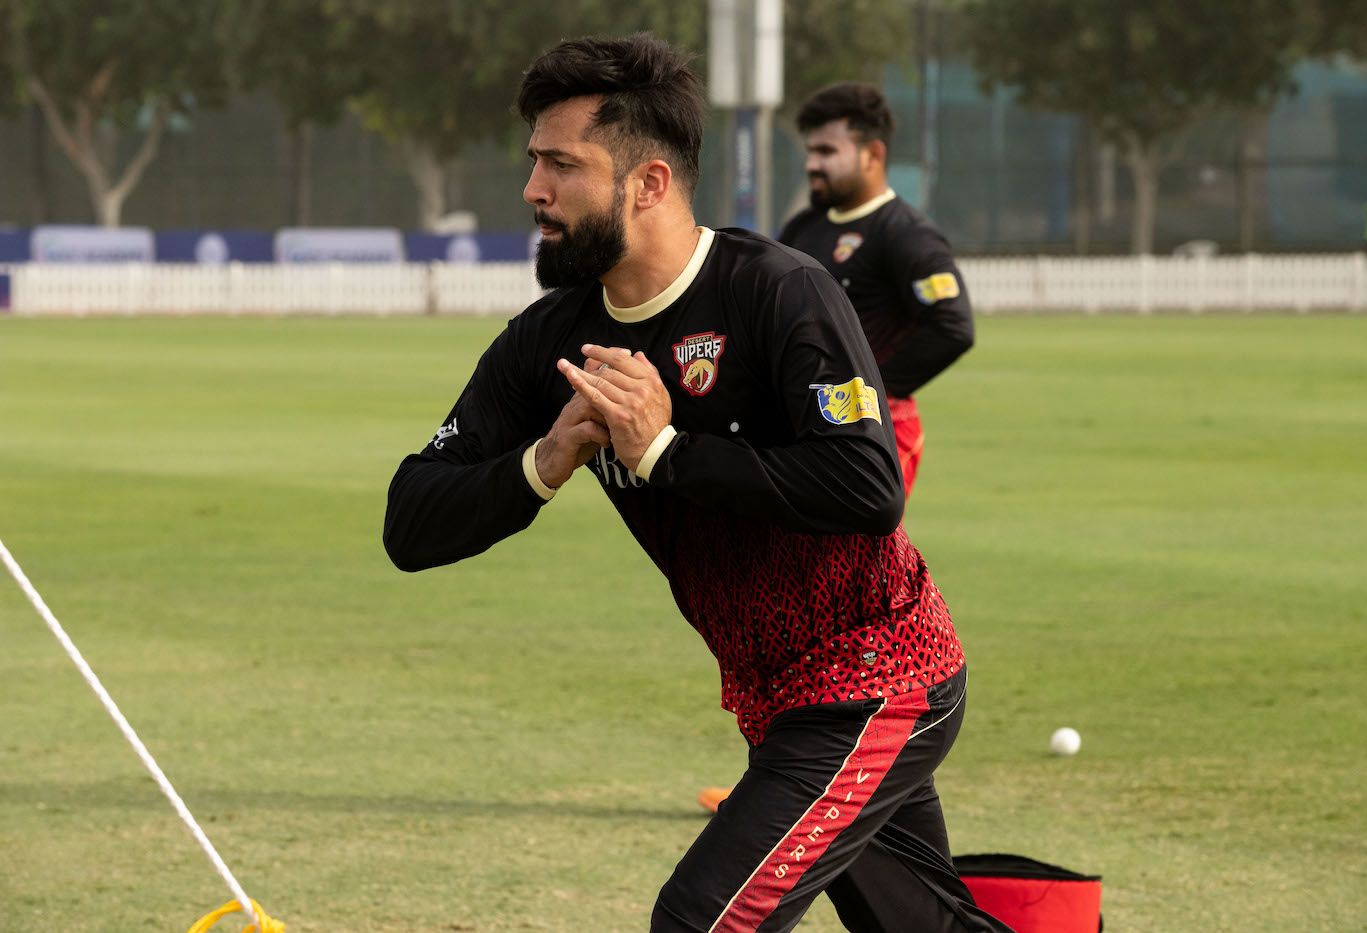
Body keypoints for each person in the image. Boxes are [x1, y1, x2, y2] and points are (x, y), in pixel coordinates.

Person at [383, 33, 1007, 933]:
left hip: (879, 676)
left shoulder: (779, 290)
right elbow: (412, 521)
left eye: (563, 165)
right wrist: (546, 461)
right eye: (534, 163)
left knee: (700, 920)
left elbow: (868, 487)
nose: (534, 191)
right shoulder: (549, 337)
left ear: (649, 184)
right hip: (778, 699)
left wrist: (664, 450)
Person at [697, 81, 975, 816]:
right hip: (800, 437)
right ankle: (789, 773)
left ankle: (836, 772)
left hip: (869, 441)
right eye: (809, 150)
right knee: (784, 600)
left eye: (827, 150)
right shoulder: (805, 227)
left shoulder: (904, 235)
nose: (814, 164)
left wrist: (872, 401)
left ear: (873, 154)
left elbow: (954, 325)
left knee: (842, 602)